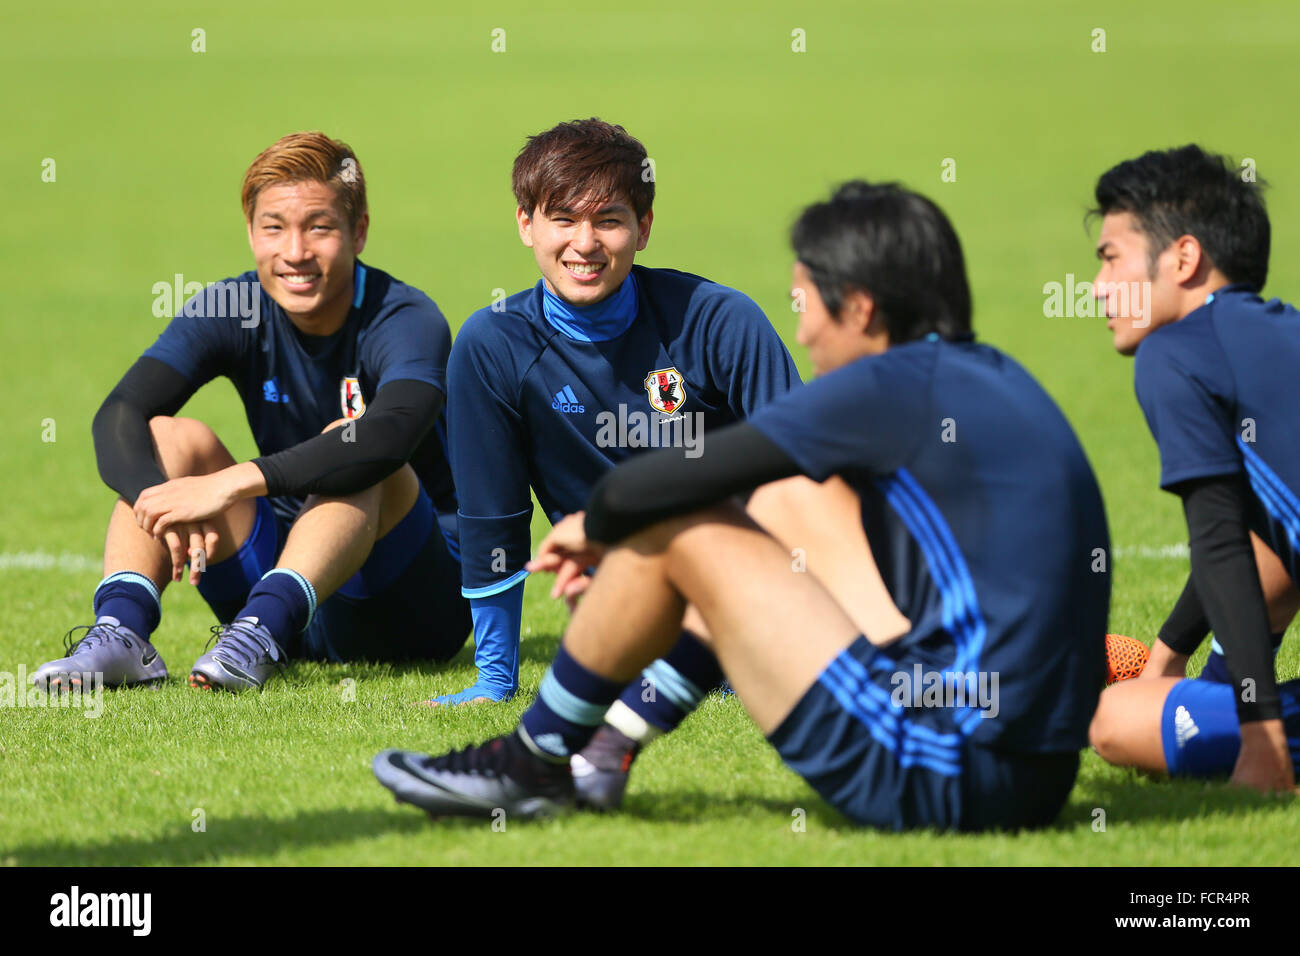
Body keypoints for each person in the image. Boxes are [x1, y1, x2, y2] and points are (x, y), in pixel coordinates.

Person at [374, 180, 1111, 831]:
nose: (800, 331)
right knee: (780, 505)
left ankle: (528, 758)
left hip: (940, 766)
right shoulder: (998, 377)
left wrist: (593, 526)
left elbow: (648, 490)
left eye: (805, 304)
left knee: (683, 526)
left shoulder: (886, 386)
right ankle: (606, 747)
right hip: (1034, 778)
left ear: (858, 307)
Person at [32, 131, 469, 692]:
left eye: (319, 227)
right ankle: (123, 633)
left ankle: (264, 626)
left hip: (407, 607)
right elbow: (120, 412)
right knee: (169, 436)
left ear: (358, 232)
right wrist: (160, 497)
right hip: (275, 588)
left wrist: (234, 483)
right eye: (274, 228)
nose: (294, 253)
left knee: (353, 443)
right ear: (251, 233)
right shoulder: (233, 305)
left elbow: (389, 436)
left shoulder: (405, 316)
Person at [431, 116, 800, 766]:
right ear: (526, 225)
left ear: (644, 228)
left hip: (744, 591)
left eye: (609, 220)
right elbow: (492, 520)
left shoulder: (719, 320)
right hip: (621, 607)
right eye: (562, 219)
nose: (585, 243)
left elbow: (800, 473)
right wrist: (494, 678)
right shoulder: (491, 345)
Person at [1086, 145, 1300, 791]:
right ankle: (1212, 699)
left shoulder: (1174, 353)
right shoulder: (1283, 331)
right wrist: (1168, 658)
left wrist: (1261, 745)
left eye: (1110, 259)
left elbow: (1217, 543)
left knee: (1115, 721)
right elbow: (1253, 542)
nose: (1096, 288)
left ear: (1182, 258)